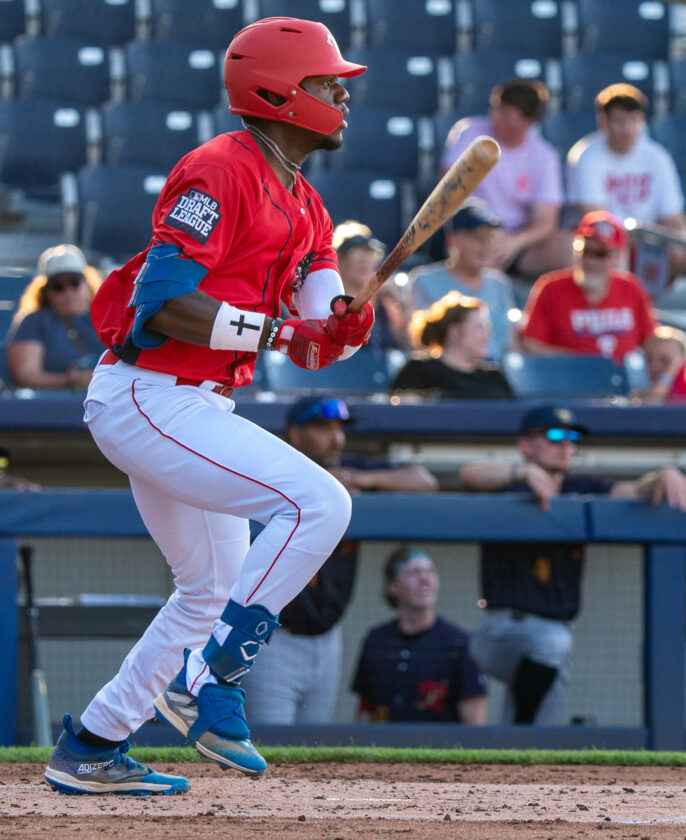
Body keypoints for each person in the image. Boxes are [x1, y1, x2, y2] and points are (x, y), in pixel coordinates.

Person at [44, 17, 376, 797]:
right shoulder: (218, 169)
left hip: (196, 406)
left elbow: (313, 335)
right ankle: (213, 673)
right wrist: (286, 330)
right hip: (148, 394)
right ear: (280, 92)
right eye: (329, 82)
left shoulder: (309, 204)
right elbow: (160, 301)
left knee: (208, 591)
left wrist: (347, 330)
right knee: (320, 503)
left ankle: (91, 742)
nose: (341, 95)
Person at [459, 404, 686, 725]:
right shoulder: (509, 483)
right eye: (554, 436)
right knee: (553, 644)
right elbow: (468, 473)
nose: (566, 444)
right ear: (526, 445)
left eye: (572, 437)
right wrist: (521, 472)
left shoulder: (582, 488)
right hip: (499, 631)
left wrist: (665, 473)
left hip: (553, 640)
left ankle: (515, 741)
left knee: (542, 736)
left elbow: (634, 491)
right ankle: (521, 725)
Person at [242, 395, 437, 724]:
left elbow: (424, 481)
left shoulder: (353, 469)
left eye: (339, 428)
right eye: (322, 428)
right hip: (272, 636)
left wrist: (358, 480)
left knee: (313, 750)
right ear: (295, 433)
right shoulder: (274, 469)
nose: (336, 437)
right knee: (269, 743)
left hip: (328, 637)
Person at [441, 79, 566, 277]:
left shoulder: (545, 155)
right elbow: (448, 190)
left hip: (518, 240)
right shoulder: (470, 132)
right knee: (484, 252)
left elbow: (546, 222)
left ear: (528, 122)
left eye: (506, 115)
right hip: (470, 228)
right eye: (496, 109)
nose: (495, 117)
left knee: (572, 249)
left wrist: (514, 241)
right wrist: (486, 234)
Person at [351, 545, 488, 724]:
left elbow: (475, 729)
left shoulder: (459, 644)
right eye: (414, 573)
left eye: (431, 572)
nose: (425, 580)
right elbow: (365, 714)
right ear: (392, 586)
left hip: (439, 749)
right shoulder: (376, 641)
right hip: (385, 749)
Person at [566, 83, 686, 283]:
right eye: (620, 121)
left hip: (651, 242)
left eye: (634, 120)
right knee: (604, 250)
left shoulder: (657, 156)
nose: (628, 129)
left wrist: (674, 242)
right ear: (603, 121)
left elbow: (673, 217)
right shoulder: (586, 155)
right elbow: (595, 219)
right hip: (603, 243)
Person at [519, 210, 657, 364]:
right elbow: (531, 345)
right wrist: (586, 366)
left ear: (619, 256)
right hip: (570, 381)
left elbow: (651, 342)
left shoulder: (631, 287)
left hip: (623, 383)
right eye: (584, 251)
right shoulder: (550, 288)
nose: (590, 260)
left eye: (600, 253)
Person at [406, 200, 517, 361]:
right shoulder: (424, 280)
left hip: (494, 377)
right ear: (452, 240)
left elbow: (510, 345)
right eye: (477, 237)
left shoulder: (500, 284)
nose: (485, 245)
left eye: (489, 237)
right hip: (446, 377)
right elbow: (415, 342)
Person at [5, 245, 104, 390]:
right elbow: (26, 375)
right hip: (50, 408)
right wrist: (68, 381)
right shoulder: (34, 322)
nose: (68, 292)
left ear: (87, 283)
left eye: (74, 282)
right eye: (58, 287)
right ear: (45, 292)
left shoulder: (109, 317)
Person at [391, 291, 515, 398]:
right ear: (455, 332)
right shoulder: (419, 369)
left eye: (487, 328)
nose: (488, 336)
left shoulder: (494, 376)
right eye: (480, 328)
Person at [333, 220, 409, 350]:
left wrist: (398, 303)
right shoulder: (328, 297)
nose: (364, 261)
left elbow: (407, 343)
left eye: (371, 253)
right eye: (355, 253)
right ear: (339, 259)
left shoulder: (384, 299)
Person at [632, 325, 686, 404]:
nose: (654, 366)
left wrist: (669, 372)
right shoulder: (639, 391)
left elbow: (655, 400)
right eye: (649, 359)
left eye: (664, 360)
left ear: (681, 361)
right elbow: (650, 403)